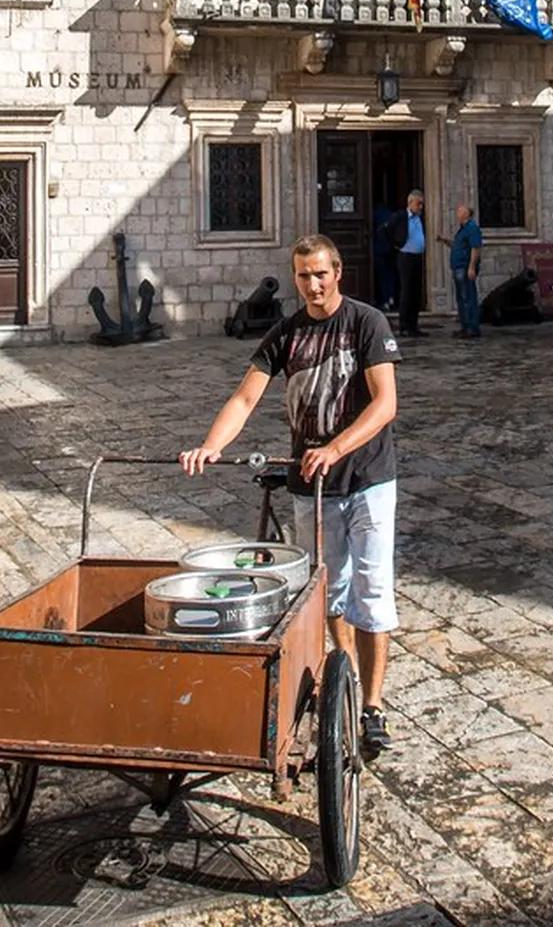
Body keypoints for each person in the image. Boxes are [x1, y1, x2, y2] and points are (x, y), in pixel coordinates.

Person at [179, 234, 400, 757]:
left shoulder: (367, 323)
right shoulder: (289, 333)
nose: (313, 284)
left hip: (367, 478)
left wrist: (337, 446)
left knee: (374, 591)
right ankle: (341, 676)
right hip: (312, 486)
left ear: (338, 272)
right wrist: (210, 445)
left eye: (320, 273)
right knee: (328, 590)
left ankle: (372, 705)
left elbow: (386, 402)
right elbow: (247, 394)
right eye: (304, 275)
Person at [384, 189, 426, 337]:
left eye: (422, 204)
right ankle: (404, 325)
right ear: (410, 202)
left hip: (418, 257)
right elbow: (386, 230)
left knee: (416, 292)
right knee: (406, 291)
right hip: (405, 257)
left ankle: (413, 325)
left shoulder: (420, 218)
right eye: (418, 203)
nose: (420, 207)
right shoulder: (400, 217)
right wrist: (396, 244)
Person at [445, 203, 483, 338]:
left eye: (460, 211)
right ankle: (465, 326)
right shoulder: (462, 230)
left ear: (466, 213)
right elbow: (458, 246)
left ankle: (472, 327)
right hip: (457, 267)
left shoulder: (472, 228)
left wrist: (471, 267)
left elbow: (475, 248)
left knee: (468, 297)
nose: (457, 213)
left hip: (464, 267)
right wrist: (445, 241)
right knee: (461, 298)